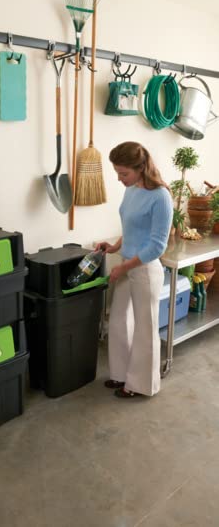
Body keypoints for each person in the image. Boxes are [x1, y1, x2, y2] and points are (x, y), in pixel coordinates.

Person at [96, 141, 173, 399]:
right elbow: (131, 228)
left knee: (145, 327)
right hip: (128, 265)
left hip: (145, 270)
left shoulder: (160, 196)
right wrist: (114, 246)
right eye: (117, 172)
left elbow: (156, 246)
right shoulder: (131, 190)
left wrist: (123, 267)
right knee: (117, 321)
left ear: (140, 168)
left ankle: (141, 385)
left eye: (123, 173)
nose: (119, 179)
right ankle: (120, 374)